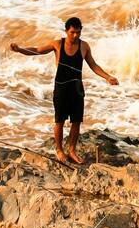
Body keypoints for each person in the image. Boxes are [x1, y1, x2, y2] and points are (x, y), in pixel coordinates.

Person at [10, 17, 118, 164]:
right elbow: (36, 51)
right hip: (61, 88)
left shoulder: (84, 46)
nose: (75, 36)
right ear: (66, 31)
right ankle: (59, 150)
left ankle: (72, 151)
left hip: (77, 89)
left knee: (76, 121)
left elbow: (93, 65)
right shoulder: (58, 44)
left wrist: (108, 77)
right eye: (72, 32)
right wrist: (20, 49)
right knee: (59, 121)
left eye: (78, 32)